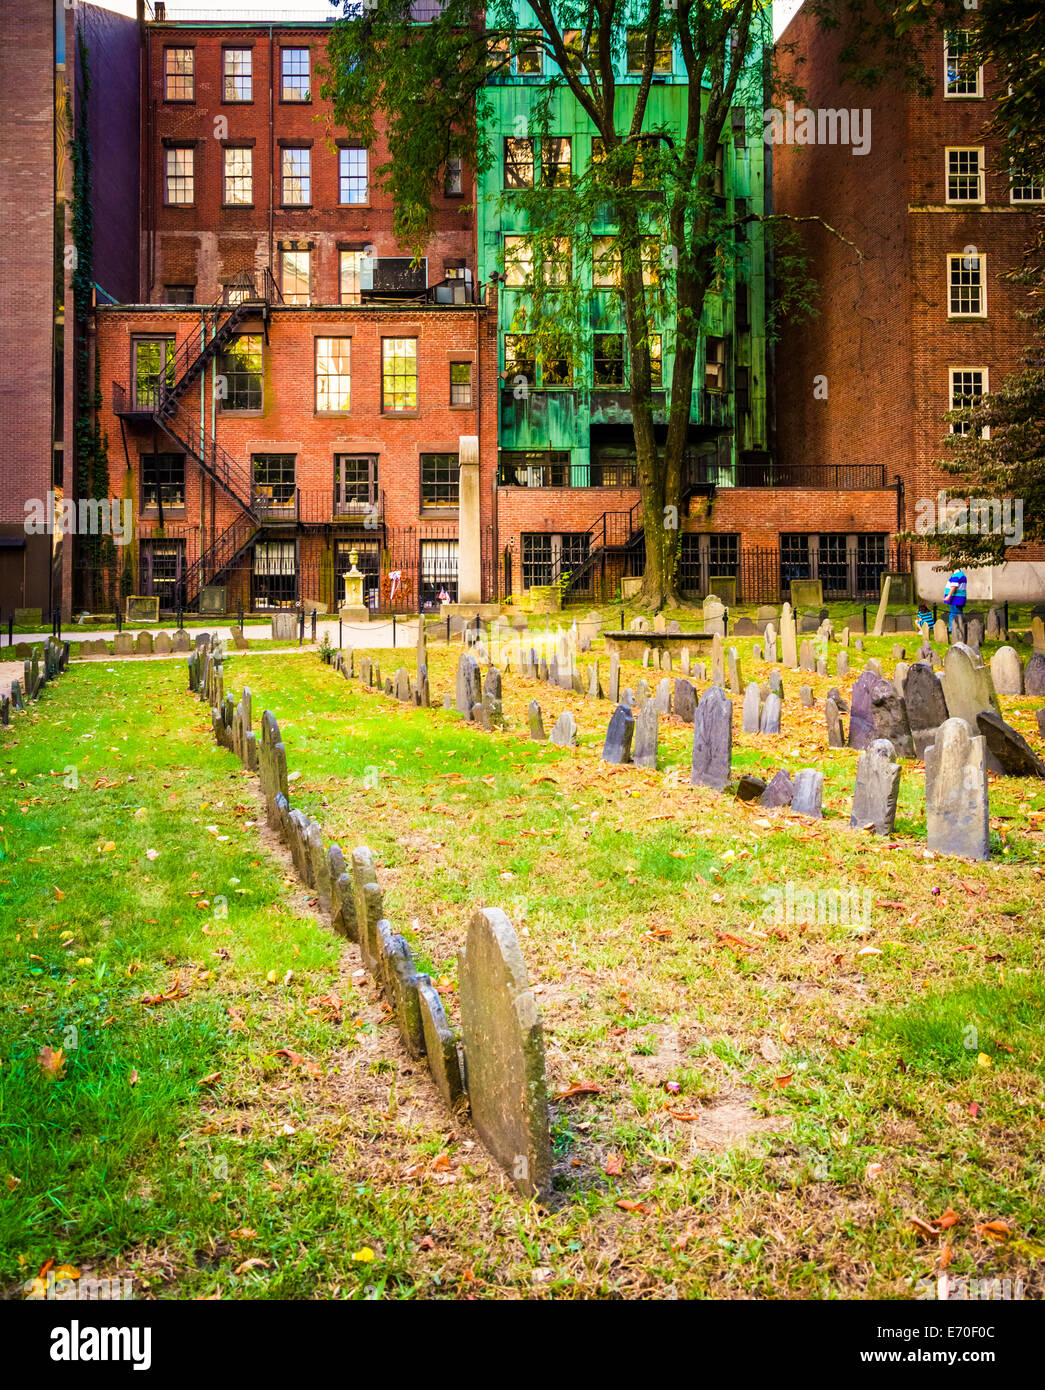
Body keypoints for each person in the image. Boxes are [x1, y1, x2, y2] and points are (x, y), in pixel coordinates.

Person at [942, 567, 967, 632]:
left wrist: (948, 596)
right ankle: (960, 627)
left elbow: (954, 586)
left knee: (954, 614)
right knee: (957, 613)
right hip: (959, 598)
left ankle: (952, 629)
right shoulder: (961, 575)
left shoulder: (956, 575)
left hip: (955, 599)